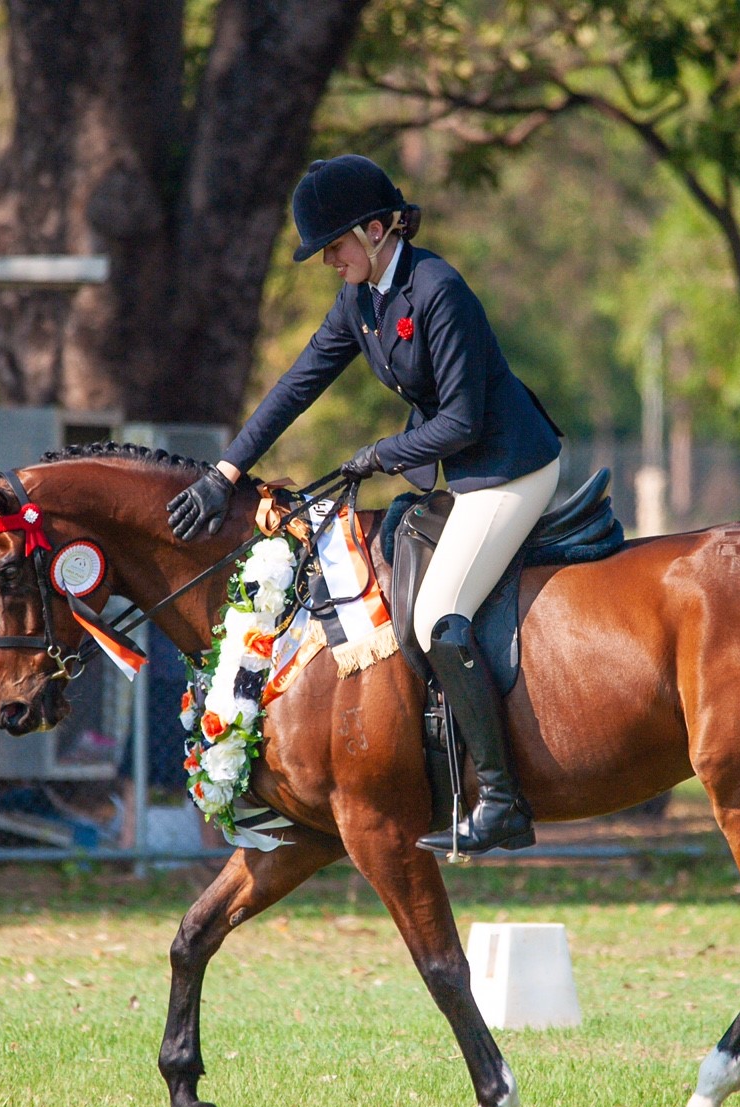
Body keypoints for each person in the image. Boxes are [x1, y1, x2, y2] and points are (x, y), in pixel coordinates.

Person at [168, 155, 563, 856]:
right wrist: (225, 472)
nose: (328, 260)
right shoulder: (365, 298)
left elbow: (465, 421)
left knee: (441, 616)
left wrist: (381, 454)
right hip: (457, 473)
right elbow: (298, 383)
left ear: (378, 229)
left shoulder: (437, 289)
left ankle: (502, 800)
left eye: (336, 245)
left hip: (508, 469)